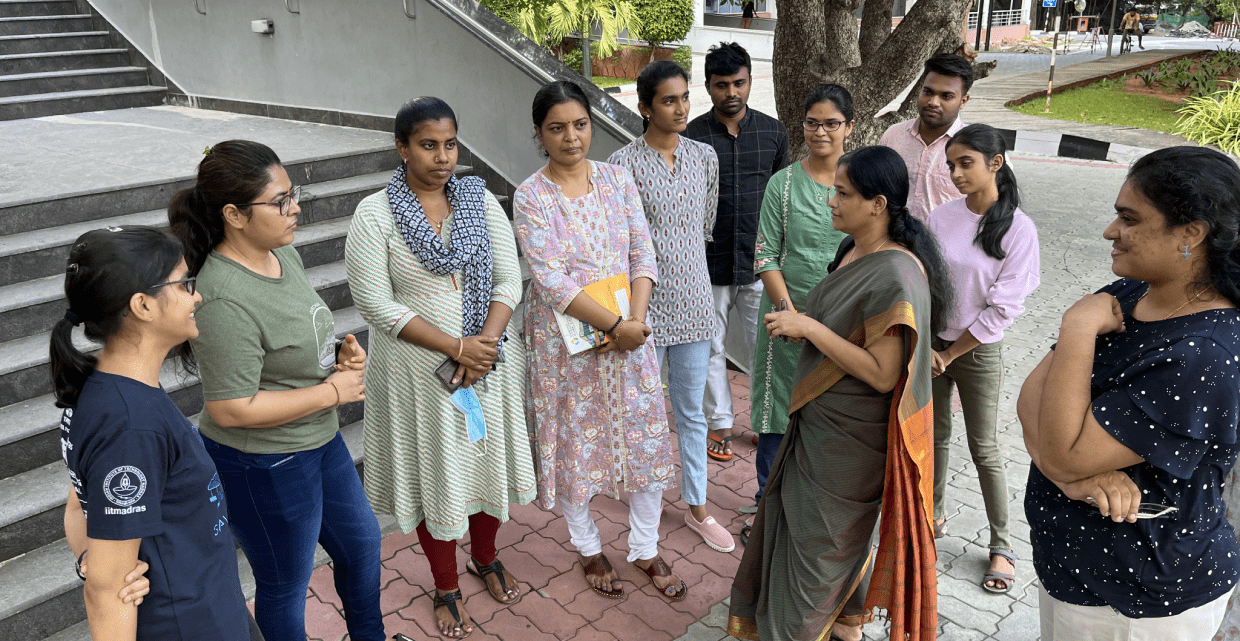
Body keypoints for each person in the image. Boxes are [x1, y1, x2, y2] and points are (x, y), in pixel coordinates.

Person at [729, 146, 952, 641]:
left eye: (843, 193)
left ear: (877, 204)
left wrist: (808, 327)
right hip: (821, 425)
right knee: (818, 543)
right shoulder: (853, 250)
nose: (830, 200)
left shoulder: (897, 273)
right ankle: (847, 627)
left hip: (850, 445)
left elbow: (880, 373)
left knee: (819, 552)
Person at [168, 141, 387, 641]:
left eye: (295, 194)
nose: (297, 208)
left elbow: (289, 341)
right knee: (286, 585)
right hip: (264, 463)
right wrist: (334, 392)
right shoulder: (222, 297)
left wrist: (336, 357)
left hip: (318, 440)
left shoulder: (281, 254)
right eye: (281, 200)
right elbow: (230, 408)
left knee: (362, 544)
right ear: (234, 215)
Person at [1019, 146, 1240, 639]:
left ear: (1191, 233)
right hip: (1073, 572)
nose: (1109, 231)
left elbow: (1063, 450)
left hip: (1137, 600)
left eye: (1128, 218)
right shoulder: (1130, 295)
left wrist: (1077, 326)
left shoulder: (1202, 351)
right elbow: (1031, 397)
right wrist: (1071, 478)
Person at [345, 97, 537, 638]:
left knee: (485, 464)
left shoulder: (479, 200)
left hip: (489, 363)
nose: (442, 156)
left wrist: (485, 343)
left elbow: (507, 279)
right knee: (439, 475)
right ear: (402, 147)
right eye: (428, 145)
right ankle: (446, 583)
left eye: (450, 144)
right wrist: (457, 346)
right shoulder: (375, 214)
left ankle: (485, 555)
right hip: (417, 375)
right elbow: (376, 304)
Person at [515, 80, 687, 602]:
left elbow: (643, 254)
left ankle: (644, 546)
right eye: (557, 128)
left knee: (645, 441)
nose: (571, 137)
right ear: (540, 134)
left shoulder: (618, 179)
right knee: (573, 443)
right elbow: (550, 280)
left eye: (581, 124)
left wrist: (633, 324)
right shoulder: (531, 195)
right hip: (567, 348)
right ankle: (588, 546)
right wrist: (614, 327)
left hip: (630, 340)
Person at [53, 226, 259, 640]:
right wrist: (101, 575)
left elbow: (79, 506)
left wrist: (90, 560)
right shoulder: (131, 424)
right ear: (143, 305)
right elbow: (107, 594)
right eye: (184, 284)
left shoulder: (109, 387)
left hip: (210, 607)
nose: (196, 295)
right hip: (188, 624)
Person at [608, 61, 733, 553]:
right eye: (668, 100)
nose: (681, 108)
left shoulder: (705, 157)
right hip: (642, 309)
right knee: (641, 411)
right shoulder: (621, 165)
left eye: (685, 97)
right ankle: (644, 499)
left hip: (695, 301)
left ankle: (699, 506)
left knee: (691, 413)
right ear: (644, 107)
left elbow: (705, 225)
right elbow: (620, 244)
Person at [928, 123, 1041, 593]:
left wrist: (951, 352)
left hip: (975, 353)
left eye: (965, 163)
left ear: (996, 163)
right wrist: (929, 346)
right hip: (931, 346)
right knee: (932, 436)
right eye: (951, 164)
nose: (955, 173)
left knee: (985, 449)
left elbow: (1004, 307)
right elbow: (924, 278)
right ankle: (929, 517)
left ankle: (1001, 544)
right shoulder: (942, 217)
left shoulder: (1019, 229)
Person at [743, 84, 854, 535]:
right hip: (784, 322)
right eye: (812, 123)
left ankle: (817, 511)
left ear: (850, 126)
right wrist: (790, 316)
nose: (820, 132)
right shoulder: (783, 184)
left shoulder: (859, 183)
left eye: (831, 123)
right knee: (777, 414)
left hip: (845, 323)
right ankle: (768, 507)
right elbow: (766, 254)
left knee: (832, 415)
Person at [684, 42, 789, 462]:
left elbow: (783, 196)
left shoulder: (773, 132)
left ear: (749, 81)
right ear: (708, 86)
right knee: (709, 347)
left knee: (766, 348)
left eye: (739, 83)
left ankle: (766, 425)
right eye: (722, 84)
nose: (732, 92)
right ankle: (720, 425)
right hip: (706, 264)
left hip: (761, 263)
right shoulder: (691, 136)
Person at [879, 53, 973, 223]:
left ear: (964, 101)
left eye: (946, 96)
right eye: (928, 92)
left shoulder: (976, 147)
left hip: (948, 246)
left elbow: (998, 206)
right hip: (895, 244)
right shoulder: (893, 136)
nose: (933, 102)